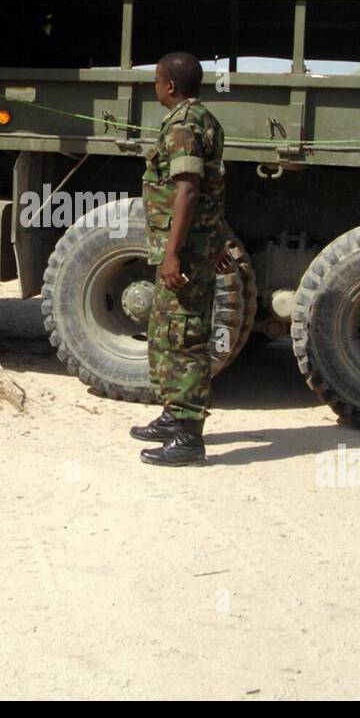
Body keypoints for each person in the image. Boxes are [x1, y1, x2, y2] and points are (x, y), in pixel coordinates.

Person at [130, 52, 228, 466]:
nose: (154, 87)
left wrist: (173, 254)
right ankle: (174, 414)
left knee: (184, 337)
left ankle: (188, 435)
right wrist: (217, 240)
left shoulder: (185, 126)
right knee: (167, 329)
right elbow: (213, 190)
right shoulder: (200, 118)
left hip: (184, 252)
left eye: (156, 80)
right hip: (194, 245)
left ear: (169, 86)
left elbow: (187, 189)